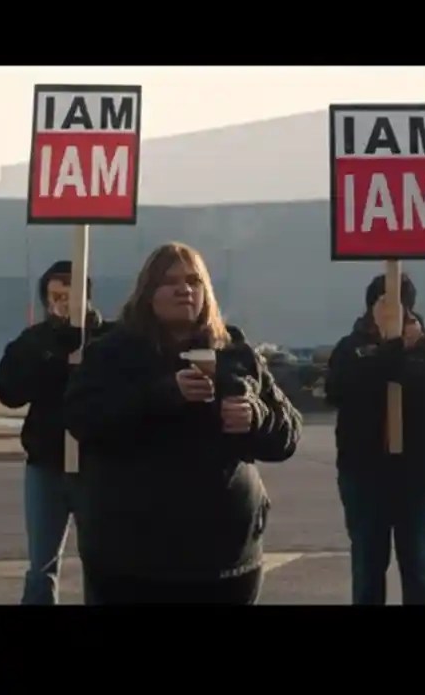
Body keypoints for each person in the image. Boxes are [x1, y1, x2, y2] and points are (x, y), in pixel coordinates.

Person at [62, 242, 302, 604]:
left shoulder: (235, 351)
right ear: (147, 294)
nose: (184, 289)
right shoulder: (113, 352)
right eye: (170, 281)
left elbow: (287, 434)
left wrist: (257, 417)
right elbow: (82, 418)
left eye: (194, 281)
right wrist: (161, 394)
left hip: (225, 560)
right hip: (131, 560)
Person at [325, 272, 425, 605]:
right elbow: (338, 390)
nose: (387, 312)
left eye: (396, 305)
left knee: (418, 564)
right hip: (364, 473)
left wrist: (421, 351)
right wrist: (389, 354)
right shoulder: (352, 347)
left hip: (418, 475)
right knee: (368, 566)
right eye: (381, 303)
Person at [0, 260, 113, 605]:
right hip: (46, 464)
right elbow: (10, 393)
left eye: (70, 295)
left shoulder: (109, 338)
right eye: (55, 296)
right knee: (41, 565)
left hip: (98, 465)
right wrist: (52, 356)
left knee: (104, 562)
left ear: (87, 298)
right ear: (46, 301)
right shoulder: (33, 341)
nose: (63, 303)